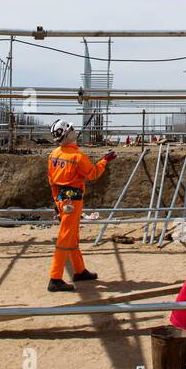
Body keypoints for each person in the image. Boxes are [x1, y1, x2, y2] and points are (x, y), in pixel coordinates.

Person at [47, 118, 116, 292]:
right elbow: (92, 174)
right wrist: (105, 160)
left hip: (63, 200)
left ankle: (79, 271)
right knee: (65, 238)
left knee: (72, 236)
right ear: (69, 133)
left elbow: (52, 182)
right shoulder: (77, 157)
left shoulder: (54, 155)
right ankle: (55, 278)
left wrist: (56, 202)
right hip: (73, 200)